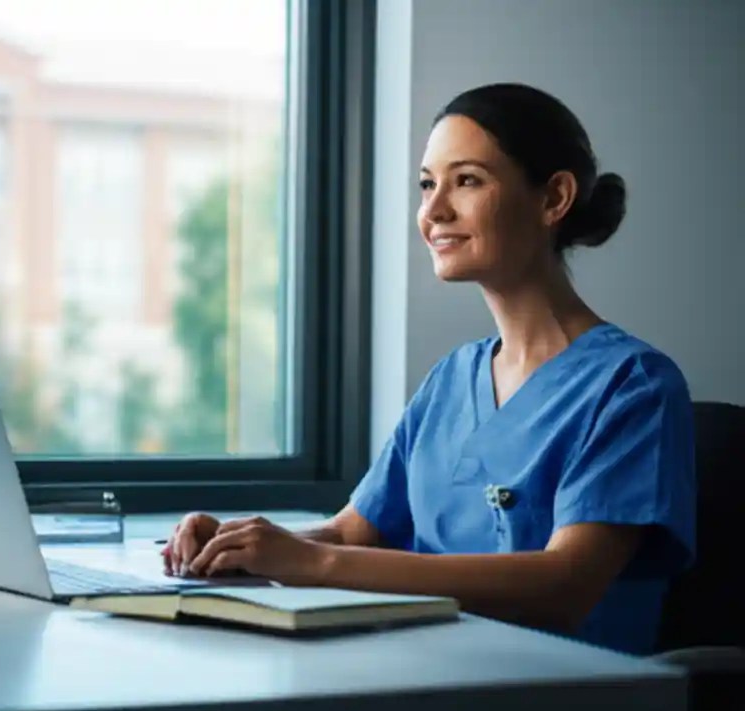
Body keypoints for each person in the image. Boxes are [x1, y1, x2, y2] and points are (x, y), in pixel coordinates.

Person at [160, 82, 696, 656]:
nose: (433, 210)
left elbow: (565, 583)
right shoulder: (451, 378)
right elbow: (349, 531)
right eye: (427, 184)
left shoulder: (631, 386)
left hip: (555, 690)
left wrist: (315, 562)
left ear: (553, 199)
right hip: (420, 667)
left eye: (467, 180)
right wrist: (241, 543)